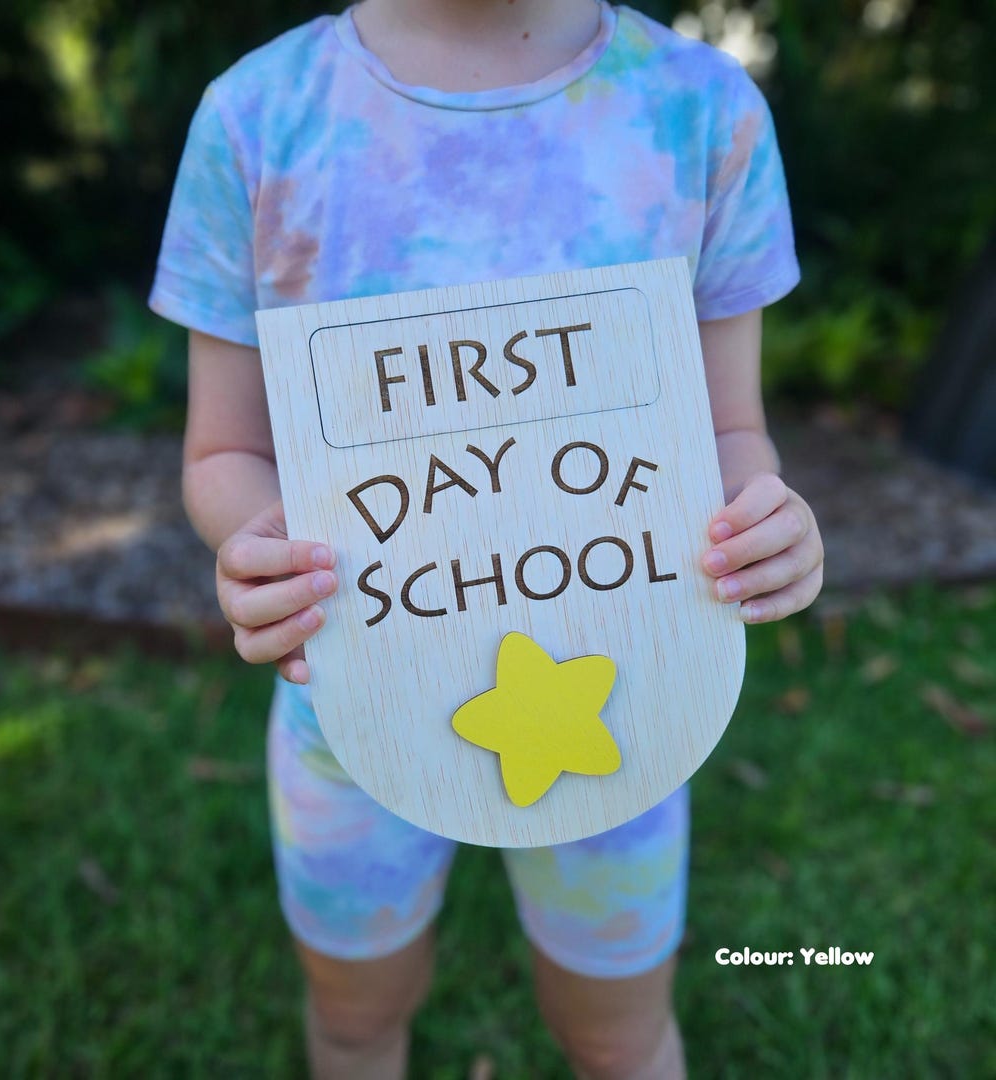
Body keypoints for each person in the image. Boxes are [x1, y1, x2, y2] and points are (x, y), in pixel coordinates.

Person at [149, 1, 824, 1076]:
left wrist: (764, 519)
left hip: (628, 702)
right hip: (357, 707)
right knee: (357, 1017)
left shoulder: (701, 112)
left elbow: (729, 433)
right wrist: (257, 544)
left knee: (616, 1035)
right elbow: (224, 452)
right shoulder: (258, 118)